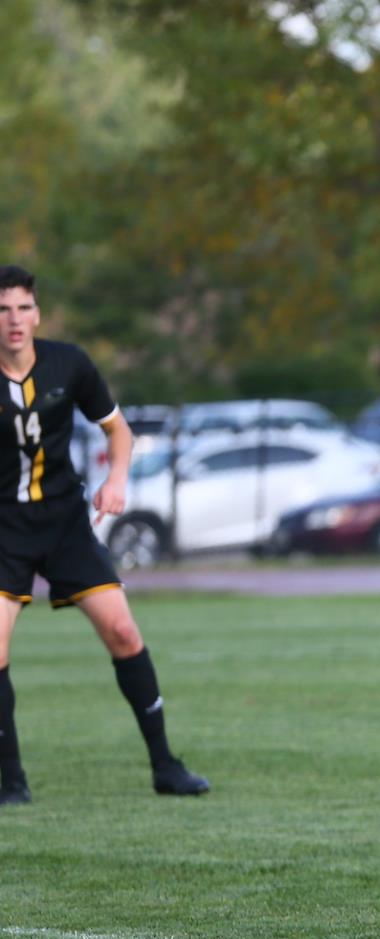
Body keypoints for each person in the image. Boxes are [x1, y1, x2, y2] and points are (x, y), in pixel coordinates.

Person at [0, 265, 208, 805]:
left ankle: (167, 767)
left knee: (122, 631)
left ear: (37, 314)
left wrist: (116, 480)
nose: (14, 319)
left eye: (23, 307)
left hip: (66, 523)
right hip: (4, 530)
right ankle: (11, 782)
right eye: (3, 310)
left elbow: (118, 430)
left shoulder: (69, 363)